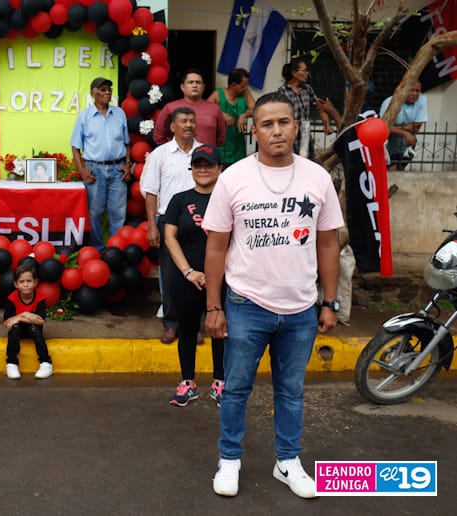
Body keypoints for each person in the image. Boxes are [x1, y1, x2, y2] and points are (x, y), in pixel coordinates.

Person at [202, 92, 343, 498]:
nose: (277, 131)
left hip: (301, 308)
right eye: (267, 124)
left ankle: (288, 462)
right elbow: (215, 246)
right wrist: (214, 306)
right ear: (254, 130)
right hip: (247, 304)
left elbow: (328, 243)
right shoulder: (234, 178)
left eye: (284, 122)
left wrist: (329, 302)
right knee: (237, 388)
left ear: (296, 126)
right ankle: (229, 461)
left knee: (291, 391)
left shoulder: (316, 178)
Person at [163, 144, 225, 407]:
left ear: (219, 168)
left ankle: (220, 382)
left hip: (221, 279)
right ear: (191, 169)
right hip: (186, 278)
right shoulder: (179, 199)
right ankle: (187, 383)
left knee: (220, 330)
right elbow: (169, 237)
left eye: (208, 165)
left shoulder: (228, 198)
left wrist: (215, 276)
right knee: (188, 330)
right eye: (198, 164)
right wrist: (188, 271)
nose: (203, 170)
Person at [140, 107, 201, 344]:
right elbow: (151, 192)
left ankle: (192, 325)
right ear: (173, 126)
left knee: (197, 273)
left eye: (192, 121)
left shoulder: (203, 152)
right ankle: (172, 324)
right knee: (171, 275)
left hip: (198, 221)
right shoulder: (160, 154)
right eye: (184, 121)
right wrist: (152, 226)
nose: (188, 125)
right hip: (169, 221)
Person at [70, 76, 132, 249]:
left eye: (109, 90)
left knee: (118, 213)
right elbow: (75, 146)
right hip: (94, 169)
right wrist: (82, 170)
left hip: (117, 169)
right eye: (103, 89)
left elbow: (127, 142)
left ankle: (115, 249)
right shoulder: (84, 116)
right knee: (95, 212)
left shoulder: (119, 113)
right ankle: (97, 249)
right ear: (93, 93)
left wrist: (127, 164)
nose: (107, 93)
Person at [3, 263, 53, 380]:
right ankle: (12, 363)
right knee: (14, 328)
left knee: (34, 328)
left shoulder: (40, 298)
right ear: (15, 284)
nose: (26, 284)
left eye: (29, 281)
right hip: (18, 330)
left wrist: (18, 318)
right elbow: (7, 322)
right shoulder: (12, 298)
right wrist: (24, 315)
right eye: (22, 281)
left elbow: (40, 321)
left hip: (33, 329)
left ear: (35, 282)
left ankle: (46, 363)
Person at [154, 68, 226, 147]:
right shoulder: (170, 108)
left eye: (198, 83)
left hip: (207, 157)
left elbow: (220, 139)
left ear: (203, 87)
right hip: (178, 158)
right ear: (182, 87)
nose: (194, 85)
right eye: (190, 82)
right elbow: (159, 137)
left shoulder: (214, 109)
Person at [277, 60, 334, 158]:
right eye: (304, 70)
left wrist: (327, 124)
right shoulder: (283, 92)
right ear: (294, 73)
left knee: (306, 160)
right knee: (292, 160)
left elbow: (319, 107)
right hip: (290, 131)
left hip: (305, 130)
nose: (307, 73)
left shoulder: (307, 89)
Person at [206, 68, 255, 167]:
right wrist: (222, 115)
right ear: (233, 85)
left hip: (238, 147)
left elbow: (256, 109)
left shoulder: (245, 93)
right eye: (242, 86)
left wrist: (244, 115)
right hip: (220, 147)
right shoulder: (218, 94)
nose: (245, 88)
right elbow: (206, 110)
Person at [379, 81, 427, 170]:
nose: (414, 94)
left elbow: (417, 126)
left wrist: (395, 127)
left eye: (417, 91)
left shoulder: (422, 100)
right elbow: (383, 127)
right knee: (391, 172)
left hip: (407, 144)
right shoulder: (390, 102)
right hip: (389, 144)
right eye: (411, 90)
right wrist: (406, 133)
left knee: (401, 171)